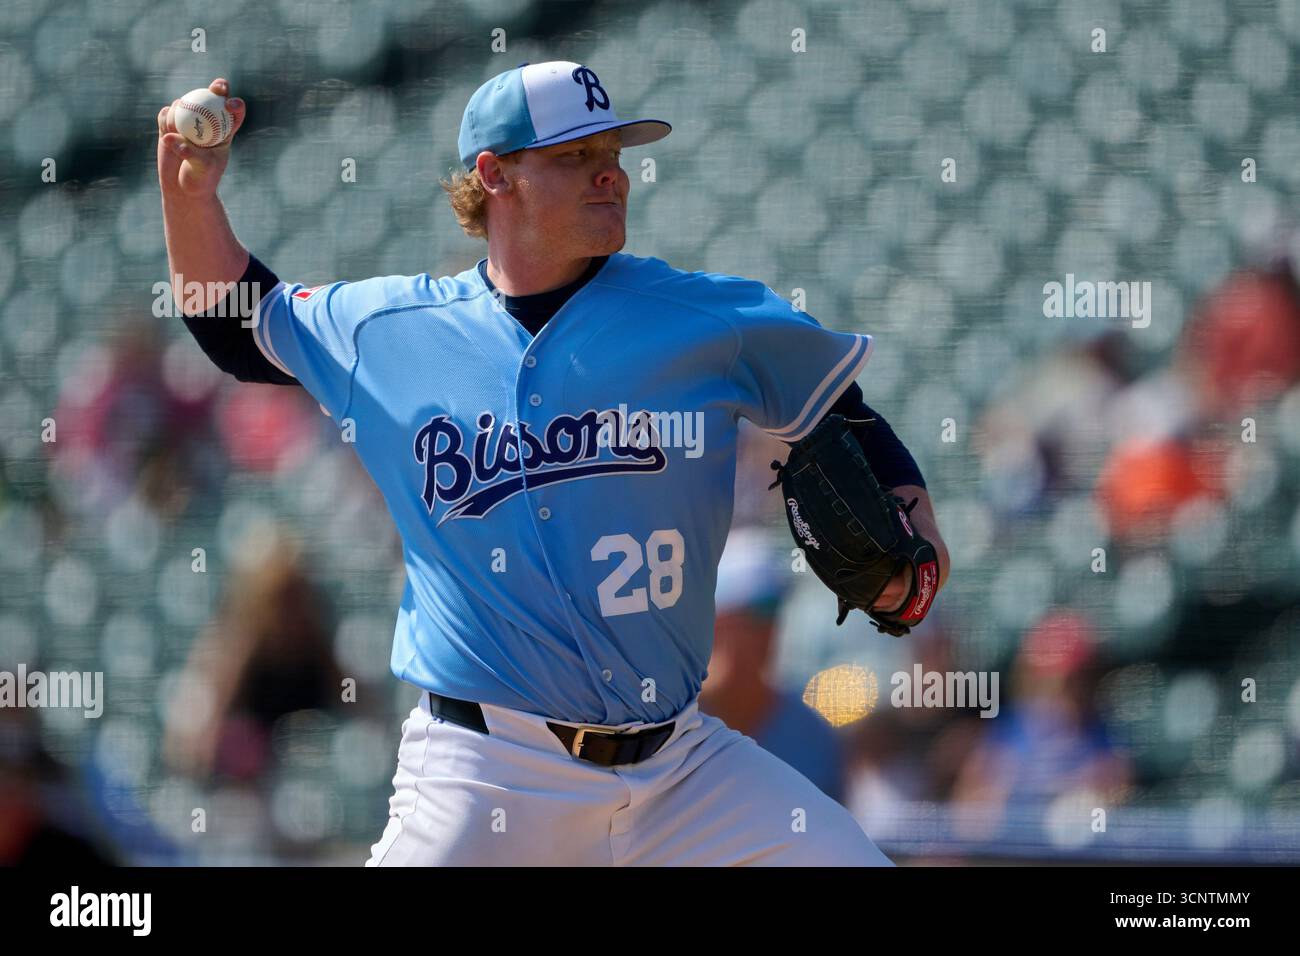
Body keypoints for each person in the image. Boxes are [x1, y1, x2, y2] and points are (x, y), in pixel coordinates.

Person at [157, 62, 949, 865]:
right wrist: (191, 201)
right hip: (485, 772)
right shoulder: (390, 330)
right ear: (494, 176)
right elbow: (234, 323)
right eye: (573, 155)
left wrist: (914, 521)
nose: (610, 171)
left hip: (682, 771)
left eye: (613, 150)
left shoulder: (705, 317)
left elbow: (843, 410)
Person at [700, 527, 848, 803]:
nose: (771, 630)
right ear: (716, 623)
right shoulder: (670, 721)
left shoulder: (811, 732)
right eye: (760, 612)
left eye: (774, 612)